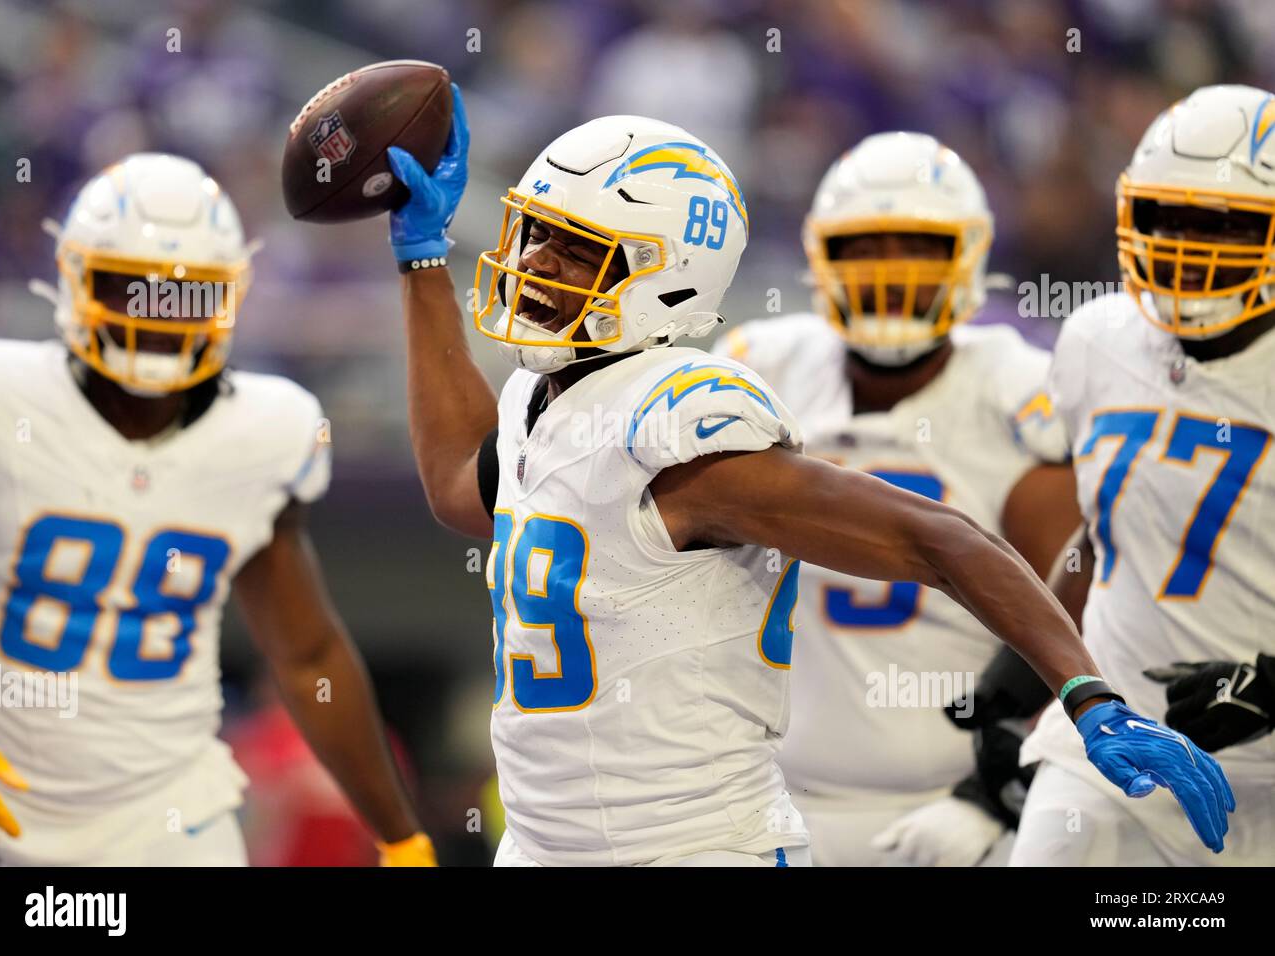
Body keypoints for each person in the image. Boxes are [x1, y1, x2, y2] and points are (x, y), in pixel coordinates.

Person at [380, 86, 1232, 866]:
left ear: (666, 280)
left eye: (576, 249)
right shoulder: (546, 394)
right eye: (535, 232)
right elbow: (461, 481)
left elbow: (936, 537)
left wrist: (1087, 697)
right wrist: (422, 258)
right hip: (540, 846)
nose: (536, 261)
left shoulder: (679, 423)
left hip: (693, 847)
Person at [0, 153, 433, 866]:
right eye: (132, 290)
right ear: (74, 277)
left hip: (166, 818)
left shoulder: (266, 432)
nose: (155, 319)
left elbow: (306, 651)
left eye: (184, 297)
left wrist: (400, 835)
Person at [713, 132, 1080, 866]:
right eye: (865, 246)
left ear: (968, 256)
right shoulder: (760, 368)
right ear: (822, 255)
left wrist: (1000, 791)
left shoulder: (1020, 393)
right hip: (767, 800)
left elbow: (1080, 620)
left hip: (953, 805)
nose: (889, 270)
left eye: (915, 245)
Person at [1004, 84, 1275, 866]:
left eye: (1222, 223)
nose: (1188, 244)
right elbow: (1109, 528)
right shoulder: (1095, 338)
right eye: (1169, 215)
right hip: (1121, 749)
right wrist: (1023, 681)